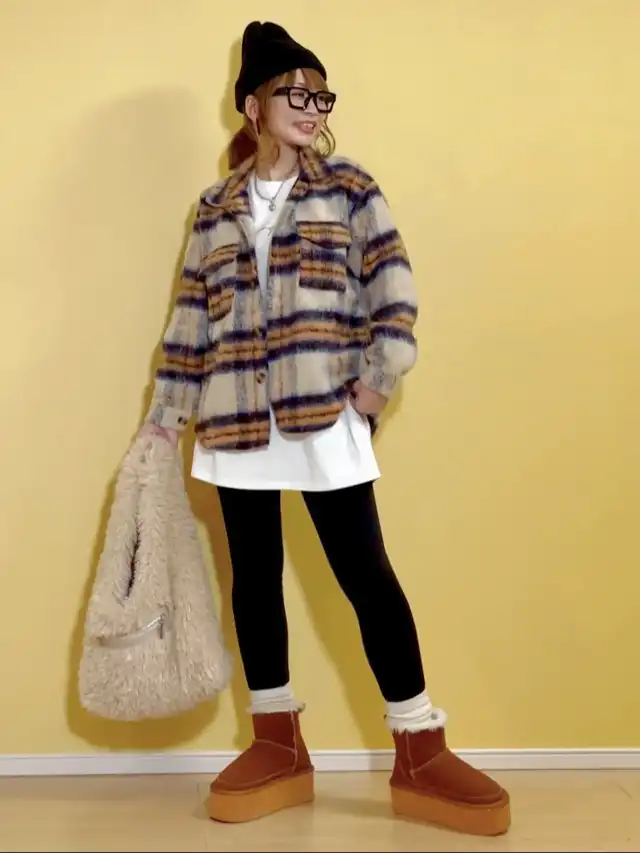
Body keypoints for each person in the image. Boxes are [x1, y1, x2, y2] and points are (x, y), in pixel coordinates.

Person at [141, 20, 510, 837]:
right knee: (254, 579)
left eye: (321, 96)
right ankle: (276, 740)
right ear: (253, 106)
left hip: (322, 414)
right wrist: (165, 419)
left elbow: (394, 289)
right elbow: (190, 319)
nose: (312, 108)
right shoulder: (215, 208)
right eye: (295, 94)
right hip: (234, 417)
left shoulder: (350, 188)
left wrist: (377, 383)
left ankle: (419, 742)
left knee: (366, 575)